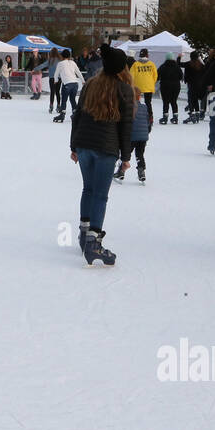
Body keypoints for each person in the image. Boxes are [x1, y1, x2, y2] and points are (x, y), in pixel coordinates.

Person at [70, 45, 135, 265]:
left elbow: (77, 116)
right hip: (106, 148)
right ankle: (94, 243)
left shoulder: (90, 85)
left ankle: (84, 234)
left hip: (84, 145)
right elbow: (126, 126)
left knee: (88, 189)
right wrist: (126, 157)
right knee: (100, 195)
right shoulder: (124, 89)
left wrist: (73, 146)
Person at [113, 78, 153, 183]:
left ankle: (121, 172)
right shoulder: (144, 107)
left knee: (126, 154)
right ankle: (141, 172)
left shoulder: (127, 107)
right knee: (140, 154)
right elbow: (148, 122)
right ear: (140, 96)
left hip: (131, 135)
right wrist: (147, 132)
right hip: (143, 137)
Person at [52, 49, 83, 122]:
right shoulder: (73, 62)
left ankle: (62, 115)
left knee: (64, 100)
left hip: (67, 84)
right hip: (75, 84)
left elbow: (56, 74)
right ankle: (75, 114)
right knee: (72, 99)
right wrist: (83, 80)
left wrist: (56, 81)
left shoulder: (60, 64)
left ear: (62, 56)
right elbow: (78, 72)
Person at [131, 49, 158, 121]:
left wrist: (133, 85)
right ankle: (150, 117)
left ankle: (136, 115)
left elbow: (131, 76)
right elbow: (155, 76)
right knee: (148, 102)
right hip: (149, 86)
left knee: (136, 102)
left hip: (138, 87)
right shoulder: (151, 64)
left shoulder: (135, 64)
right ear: (147, 55)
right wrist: (152, 83)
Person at [158, 53, 182, 124]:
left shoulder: (163, 66)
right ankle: (175, 117)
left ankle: (165, 118)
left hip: (165, 86)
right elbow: (181, 76)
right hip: (176, 86)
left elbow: (157, 76)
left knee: (166, 102)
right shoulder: (177, 66)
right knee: (174, 101)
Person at [184, 50, 207, 123]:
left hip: (191, 84)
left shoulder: (188, 64)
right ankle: (197, 114)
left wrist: (179, 57)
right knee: (195, 99)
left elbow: (179, 64)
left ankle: (192, 114)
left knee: (191, 99)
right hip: (199, 85)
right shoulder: (201, 65)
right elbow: (205, 74)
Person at [46, 48, 61, 114]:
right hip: (58, 78)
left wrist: (35, 69)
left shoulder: (49, 60)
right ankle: (58, 105)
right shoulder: (60, 60)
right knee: (57, 92)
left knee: (52, 92)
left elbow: (42, 65)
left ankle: (51, 105)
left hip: (52, 78)